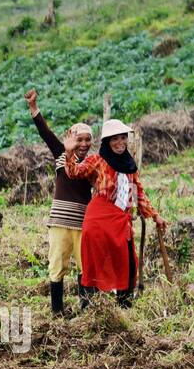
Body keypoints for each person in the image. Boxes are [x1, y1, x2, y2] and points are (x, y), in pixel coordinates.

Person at [63, 119, 167, 308]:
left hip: (121, 221)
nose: (120, 143)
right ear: (107, 142)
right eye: (115, 139)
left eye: (123, 138)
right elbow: (74, 173)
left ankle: (124, 306)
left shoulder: (129, 165)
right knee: (96, 261)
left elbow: (138, 191)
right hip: (99, 219)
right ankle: (89, 307)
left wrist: (154, 215)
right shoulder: (98, 160)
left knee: (127, 264)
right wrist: (69, 152)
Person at [25, 89, 93, 315]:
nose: (83, 143)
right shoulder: (60, 155)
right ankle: (57, 312)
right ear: (69, 137)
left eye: (87, 139)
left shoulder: (94, 163)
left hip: (84, 222)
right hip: (60, 221)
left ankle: (86, 310)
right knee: (57, 265)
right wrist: (34, 108)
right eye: (78, 138)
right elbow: (45, 133)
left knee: (86, 266)